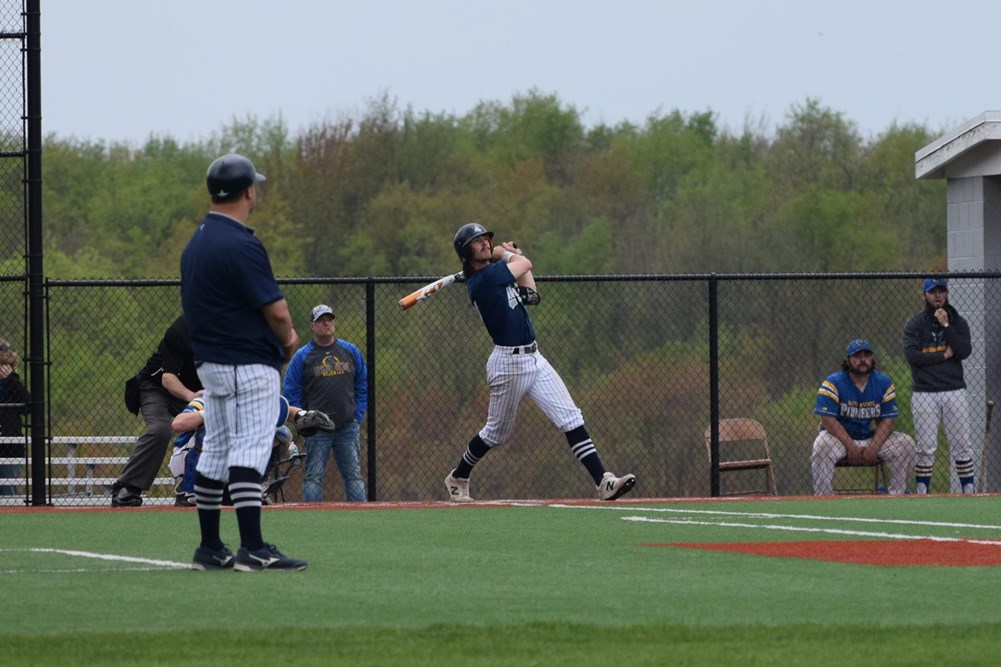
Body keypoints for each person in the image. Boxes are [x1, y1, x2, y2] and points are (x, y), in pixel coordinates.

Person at [444, 222, 636, 502]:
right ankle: (458, 476)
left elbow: (531, 293)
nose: (485, 243)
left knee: (571, 418)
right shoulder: (484, 280)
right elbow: (525, 264)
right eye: (477, 241)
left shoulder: (495, 274)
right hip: (507, 364)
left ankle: (604, 481)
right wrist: (506, 254)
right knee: (495, 434)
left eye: (486, 239)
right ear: (466, 252)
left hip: (534, 358)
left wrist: (511, 256)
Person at [181, 153, 306, 572]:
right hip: (247, 362)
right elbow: (278, 312)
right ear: (248, 191)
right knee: (250, 447)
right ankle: (252, 547)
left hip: (211, 364)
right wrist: (288, 341)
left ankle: (210, 547)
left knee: (215, 448)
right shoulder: (240, 243)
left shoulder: (196, 243)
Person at [170, 393, 326, 506]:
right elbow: (178, 424)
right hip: (187, 459)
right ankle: (191, 491)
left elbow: (284, 409)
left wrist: (303, 414)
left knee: (280, 433)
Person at [111, 315, 202, 507]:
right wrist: (193, 397)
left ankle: (192, 488)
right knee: (160, 429)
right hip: (157, 388)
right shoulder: (181, 329)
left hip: (198, 393)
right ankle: (127, 486)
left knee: (220, 424)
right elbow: (167, 379)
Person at [283, 304, 368, 502]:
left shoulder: (350, 351)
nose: (326, 323)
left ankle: (361, 515)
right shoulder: (302, 357)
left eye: (329, 319)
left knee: (354, 476)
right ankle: (313, 517)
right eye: (321, 320)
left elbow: (362, 383)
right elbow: (291, 392)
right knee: (313, 477)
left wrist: (358, 415)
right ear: (312, 326)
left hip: (347, 426)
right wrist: (303, 420)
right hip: (316, 429)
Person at [811, 338, 916, 495]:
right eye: (857, 356)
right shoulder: (833, 382)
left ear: (872, 359)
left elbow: (888, 420)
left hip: (872, 438)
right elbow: (827, 419)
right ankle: (823, 498)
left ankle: (897, 495)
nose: (863, 360)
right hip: (840, 440)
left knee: (907, 444)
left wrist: (873, 447)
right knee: (821, 445)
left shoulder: (884, 382)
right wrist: (850, 446)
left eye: (867, 355)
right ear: (848, 360)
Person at [903, 277, 976, 494]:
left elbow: (964, 351)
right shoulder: (915, 323)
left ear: (946, 293)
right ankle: (922, 491)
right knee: (926, 447)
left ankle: (968, 490)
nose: (937, 295)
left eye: (941, 291)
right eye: (932, 291)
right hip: (925, 391)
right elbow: (913, 356)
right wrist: (942, 356)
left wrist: (946, 326)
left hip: (954, 389)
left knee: (962, 445)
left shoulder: (957, 322)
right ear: (924, 294)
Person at [0, 339, 30, 496]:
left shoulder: (12, 383)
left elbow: (28, 406)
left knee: (7, 492)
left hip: (9, 448)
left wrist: (12, 378)